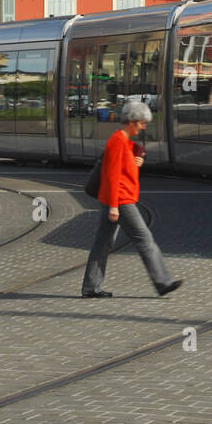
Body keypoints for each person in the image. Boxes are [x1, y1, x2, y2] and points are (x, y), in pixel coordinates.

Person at [81, 101, 182, 299]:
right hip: (120, 201)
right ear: (132, 121)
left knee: (102, 243)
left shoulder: (124, 142)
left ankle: (90, 287)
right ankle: (163, 282)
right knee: (144, 239)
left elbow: (125, 169)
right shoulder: (118, 142)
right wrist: (113, 206)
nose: (144, 126)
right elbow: (112, 176)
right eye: (142, 123)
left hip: (118, 199)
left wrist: (139, 160)